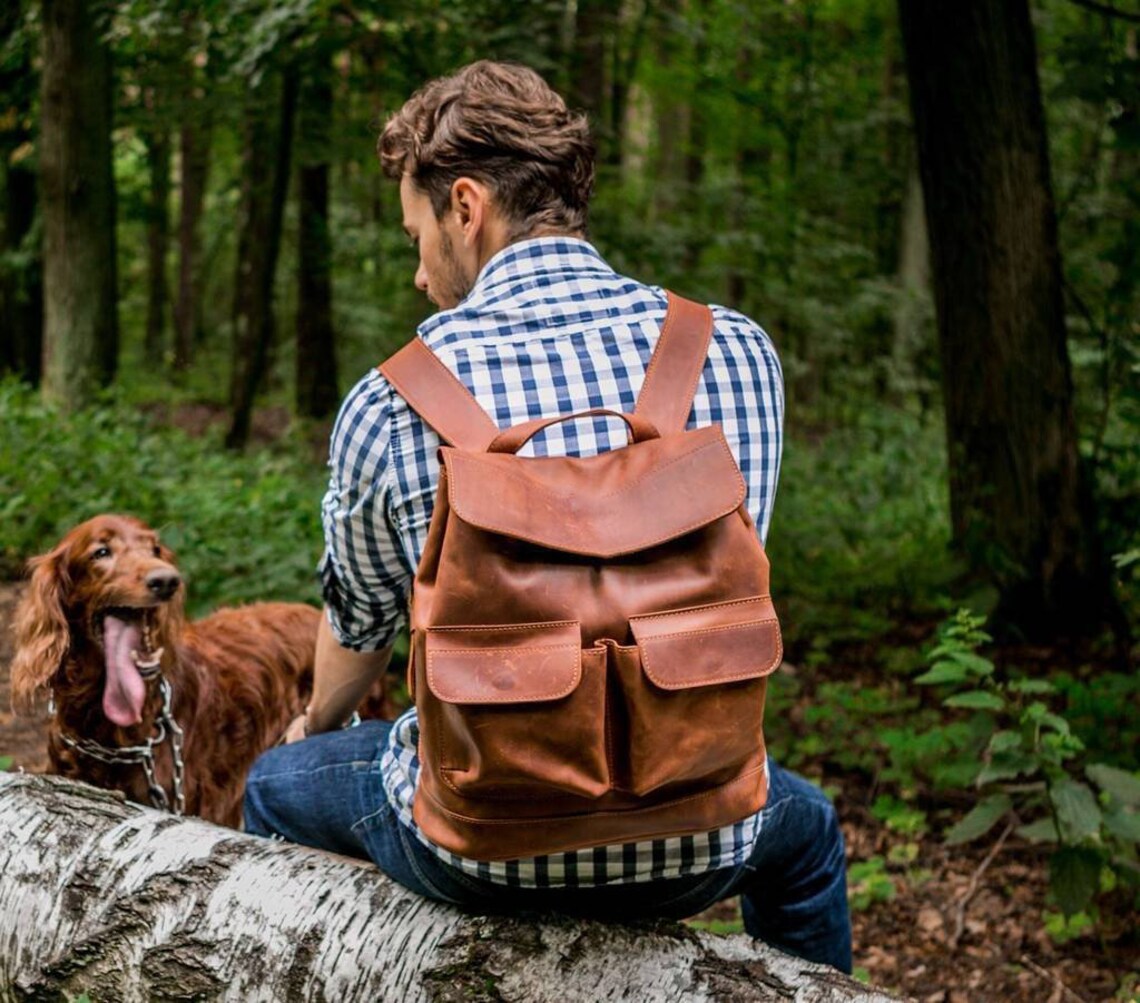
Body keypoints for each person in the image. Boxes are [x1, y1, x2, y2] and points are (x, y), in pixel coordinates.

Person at [243, 59, 851, 973]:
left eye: (417, 235)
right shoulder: (737, 353)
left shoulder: (391, 401)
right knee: (808, 837)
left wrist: (315, 723)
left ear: (465, 206)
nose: (417, 273)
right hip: (703, 834)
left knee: (277, 786)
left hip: (480, 844)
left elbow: (360, 632)